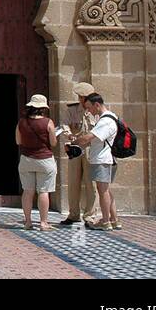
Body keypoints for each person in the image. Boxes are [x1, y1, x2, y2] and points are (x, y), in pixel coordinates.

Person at [72, 93, 121, 230]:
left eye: (89, 107)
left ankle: (105, 222)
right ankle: (114, 220)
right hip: (105, 158)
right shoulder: (109, 118)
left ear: (97, 105)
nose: (88, 111)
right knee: (106, 190)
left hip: (102, 159)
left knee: (102, 191)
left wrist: (74, 143)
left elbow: (89, 137)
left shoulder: (106, 121)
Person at [58, 81, 102, 227]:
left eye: (81, 97)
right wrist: (69, 135)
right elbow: (64, 123)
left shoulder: (96, 111)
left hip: (91, 149)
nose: (79, 99)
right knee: (73, 182)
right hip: (76, 149)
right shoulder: (72, 110)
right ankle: (73, 214)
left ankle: (90, 215)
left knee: (91, 184)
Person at [15, 93, 58, 230]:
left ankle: (27, 222)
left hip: (26, 159)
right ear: (43, 108)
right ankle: (43, 222)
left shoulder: (21, 122)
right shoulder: (48, 122)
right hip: (45, 159)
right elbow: (53, 142)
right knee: (44, 191)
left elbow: (18, 141)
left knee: (27, 191)